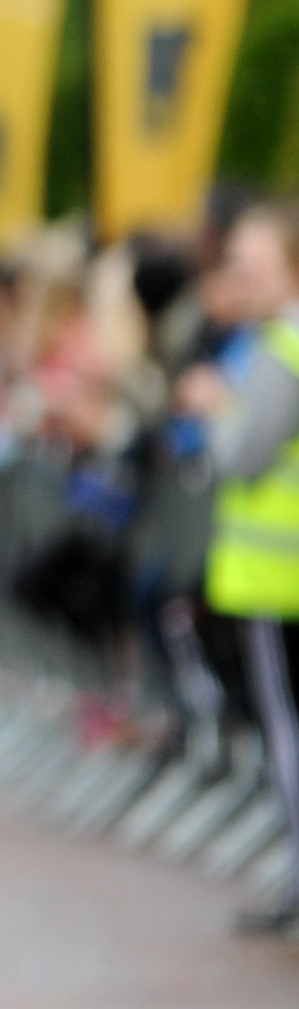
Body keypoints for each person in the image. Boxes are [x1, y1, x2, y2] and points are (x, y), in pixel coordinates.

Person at [185, 203, 299, 932]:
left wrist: (216, 406)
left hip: (277, 581)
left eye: (251, 267)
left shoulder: (284, 348)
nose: (239, 282)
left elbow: (241, 454)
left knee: (287, 734)